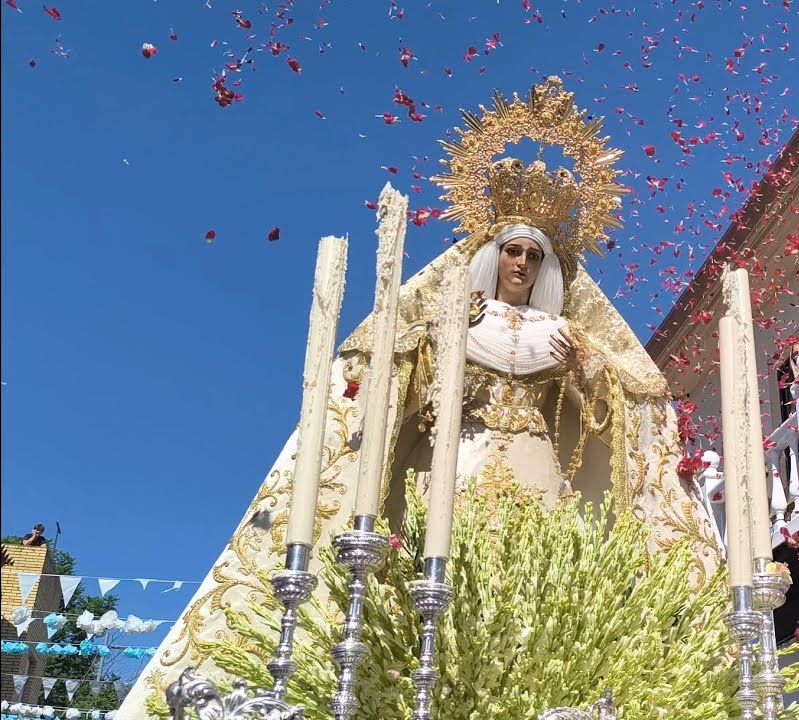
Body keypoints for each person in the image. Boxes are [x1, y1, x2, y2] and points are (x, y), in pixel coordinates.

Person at [121, 79, 722, 715]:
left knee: (537, 575)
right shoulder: (457, 315)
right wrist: (442, 341)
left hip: (536, 461)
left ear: (549, 269)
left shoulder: (565, 332)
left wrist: (584, 368)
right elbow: (405, 383)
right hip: (455, 460)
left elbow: (612, 415)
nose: (521, 263)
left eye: (534, 256)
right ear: (493, 256)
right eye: (512, 251)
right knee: (438, 569)